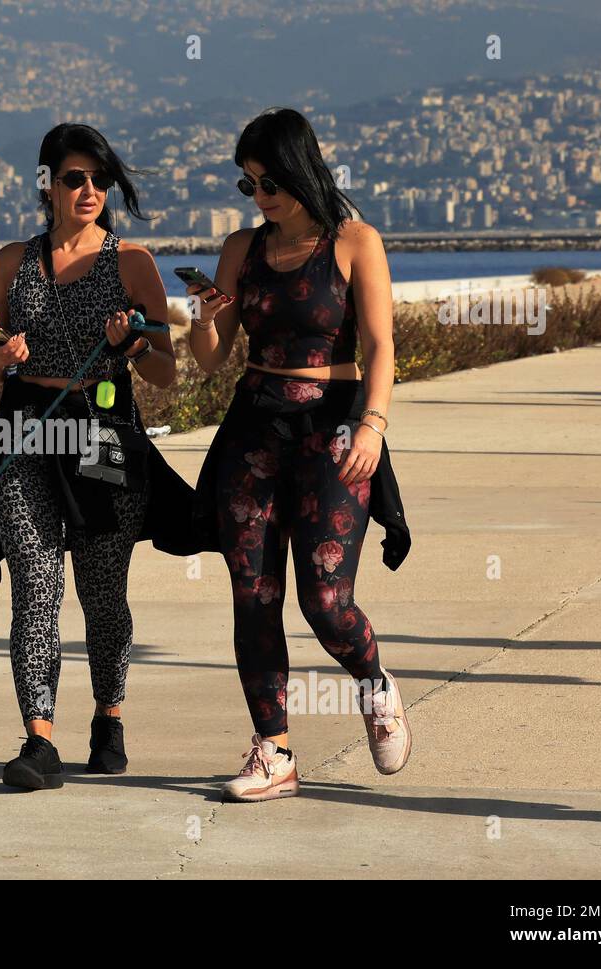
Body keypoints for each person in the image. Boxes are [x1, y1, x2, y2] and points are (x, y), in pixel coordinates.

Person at [183, 107, 412, 803]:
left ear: (301, 169)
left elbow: (381, 346)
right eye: (248, 184)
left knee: (326, 598)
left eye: (270, 181)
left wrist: (372, 425)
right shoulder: (240, 249)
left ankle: (375, 682)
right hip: (254, 429)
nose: (260, 196)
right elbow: (210, 359)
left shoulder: (355, 241)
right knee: (253, 592)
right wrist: (203, 317)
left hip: (334, 428)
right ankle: (274, 750)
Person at [0, 123, 207, 791]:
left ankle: (109, 716)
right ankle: (39, 739)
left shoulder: (133, 264)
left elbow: (165, 373)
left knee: (102, 595)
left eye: (100, 179)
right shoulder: (11, 262)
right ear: (47, 183)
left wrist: (132, 345)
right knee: (35, 587)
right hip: (24, 432)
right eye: (75, 177)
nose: (90, 190)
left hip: (103, 434)